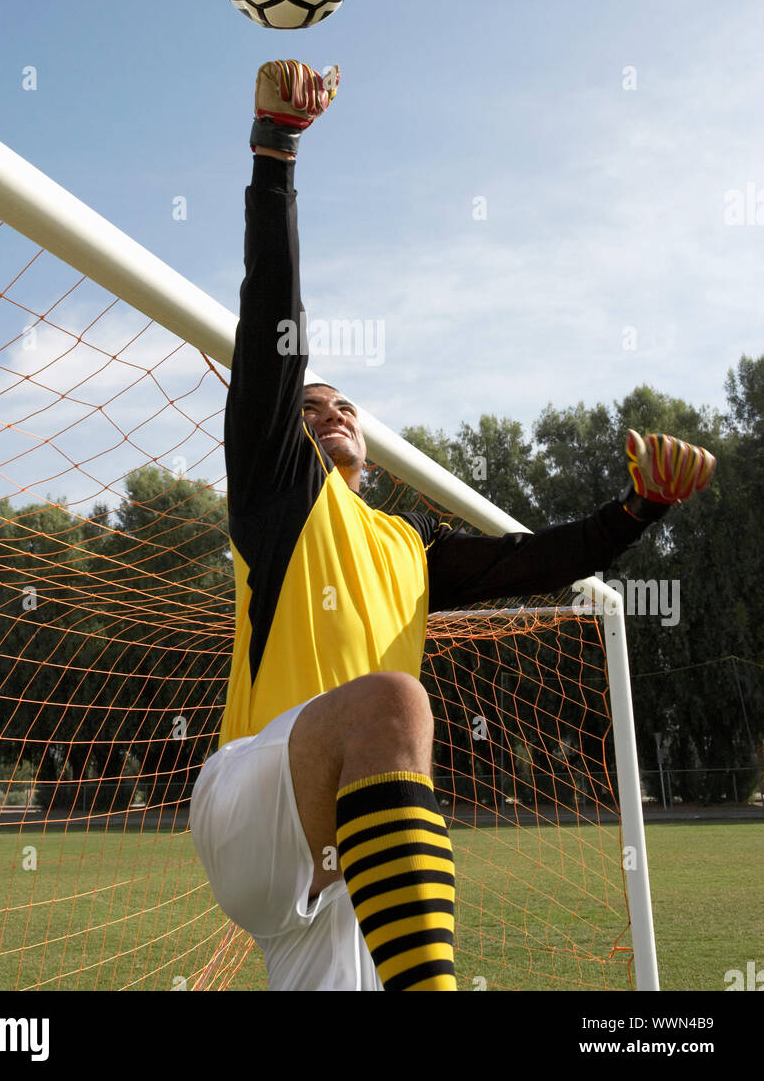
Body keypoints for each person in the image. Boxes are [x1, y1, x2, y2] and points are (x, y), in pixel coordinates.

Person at [189, 60, 716, 992]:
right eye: (309, 406)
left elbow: (546, 558)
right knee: (396, 701)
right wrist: (276, 154)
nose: (329, 412)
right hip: (255, 797)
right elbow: (275, 323)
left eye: (344, 404)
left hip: (340, 858)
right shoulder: (282, 500)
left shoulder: (408, 551)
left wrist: (642, 506)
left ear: (372, 443)